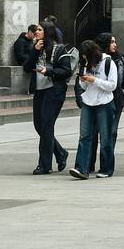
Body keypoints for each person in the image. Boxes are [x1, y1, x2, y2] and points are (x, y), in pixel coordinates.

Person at [80, 33, 124, 175]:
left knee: (109, 134)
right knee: (90, 134)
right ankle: (86, 166)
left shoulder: (116, 60)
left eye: (115, 41)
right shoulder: (89, 61)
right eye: (112, 42)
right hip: (92, 100)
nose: (115, 44)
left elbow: (121, 80)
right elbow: (82, 83)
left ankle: (106, 166)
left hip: (114, 99)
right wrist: (81, 95)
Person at [24, 23, 77, 174]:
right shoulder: (35, 47)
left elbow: (66, 71)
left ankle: (44, 165)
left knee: (47, 126)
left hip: (54, 91)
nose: (36, 32)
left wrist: (49, 71)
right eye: (36, 30)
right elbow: (27, 67)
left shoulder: (60, 49)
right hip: (39, 91)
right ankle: (60, 152)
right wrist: (35, 51)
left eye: (40, 30)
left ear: (48, 32)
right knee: (39, 126)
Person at [69, 39, 118, 180]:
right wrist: (83, 81)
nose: (85, 59)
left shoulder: (108, 63)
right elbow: (84, 87)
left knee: (105, 137)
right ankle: (81, 168)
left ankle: (107, 168)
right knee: (84, 136)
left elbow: (112, 85)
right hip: (88, 102)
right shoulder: (85, 64)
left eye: (86, 56)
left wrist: (94, 80)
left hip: (105, 103)